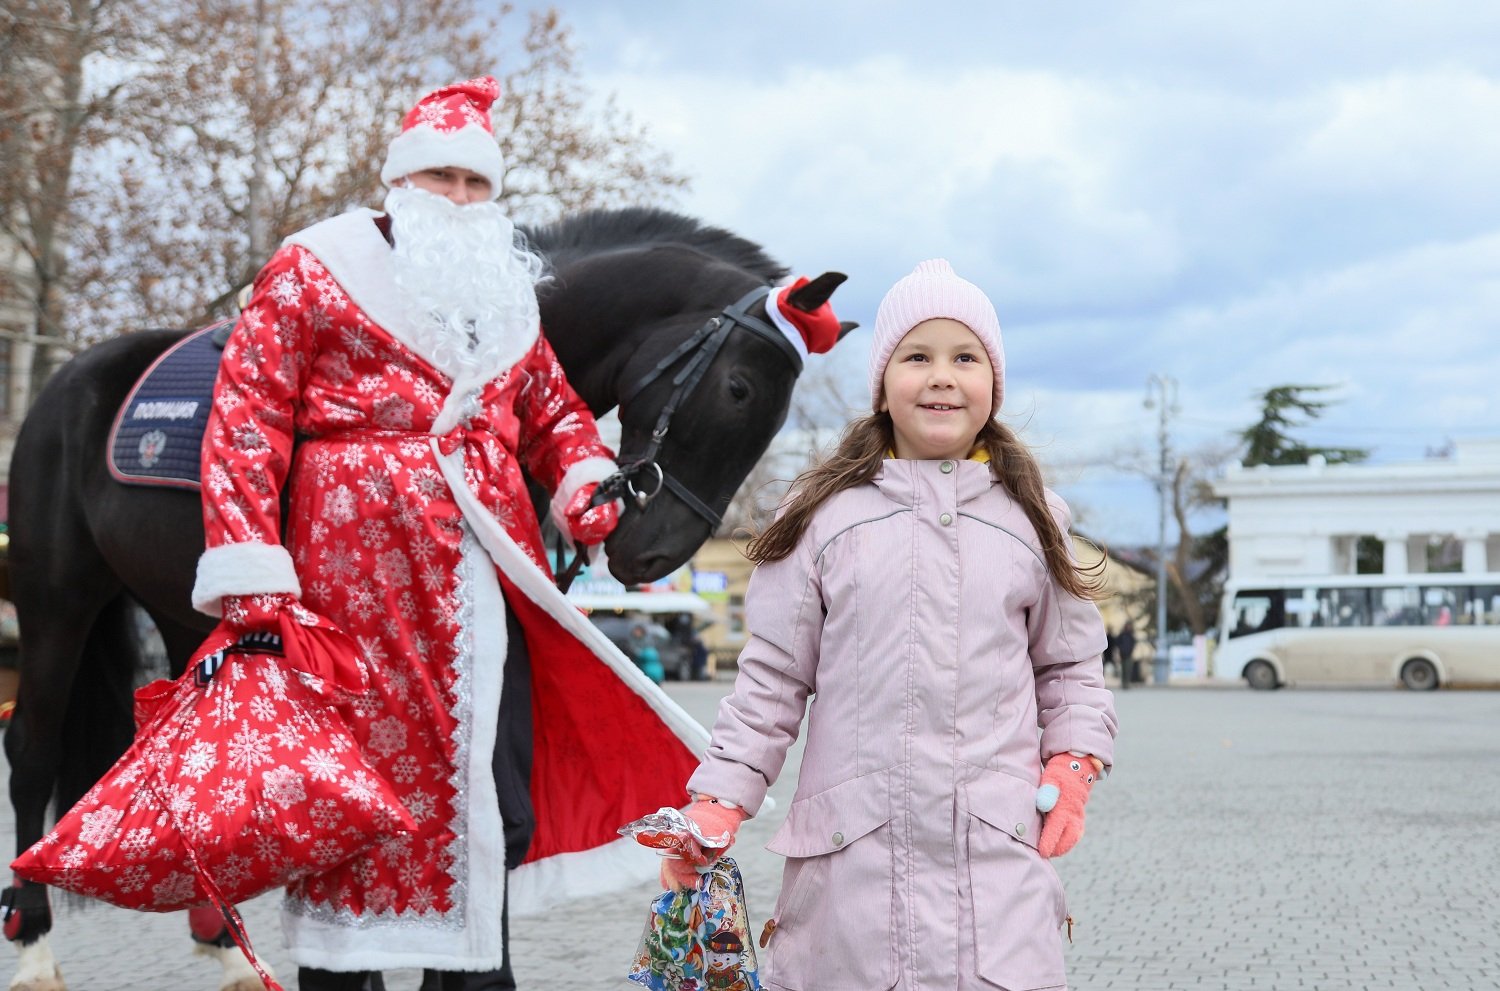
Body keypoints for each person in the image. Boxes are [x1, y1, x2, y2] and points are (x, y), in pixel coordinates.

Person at [193, 76, 695, 990]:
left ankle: (475, 972)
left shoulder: (508, 298)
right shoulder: (314, 269)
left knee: (491, 793)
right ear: (399, 181)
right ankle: (343, 975)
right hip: (347, 588)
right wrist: (252, 570)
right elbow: (247, 415)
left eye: (475, 183)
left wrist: (584, 479)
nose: (459, 198)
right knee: (348, 801)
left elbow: (553, 413)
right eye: (440, 177)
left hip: (484, 580)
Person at [658, 260, 1119, 990]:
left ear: (992, 383)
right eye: (917, 356)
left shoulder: (1034, 521)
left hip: (994, 874)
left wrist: (1074, 759)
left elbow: (1070, 666)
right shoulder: (821, 520)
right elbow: (774, 681)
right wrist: (718, 798)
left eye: (964, 357)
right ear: (882, 383)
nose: (942, 376)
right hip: (854, 879)